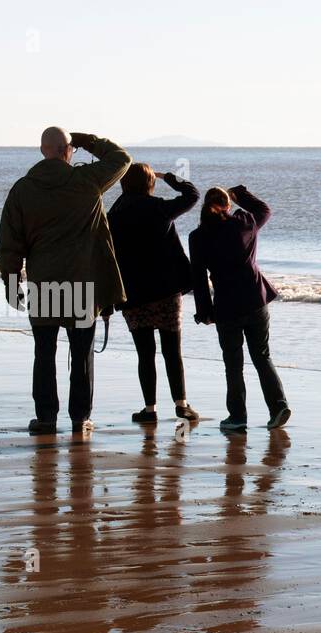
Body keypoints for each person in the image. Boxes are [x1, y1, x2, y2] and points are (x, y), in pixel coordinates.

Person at [0, 127, 130, 434]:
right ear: (66, 150)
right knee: (82, 353)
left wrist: (11, 282)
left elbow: (10, 242)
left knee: (44, 352)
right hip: (82, 285)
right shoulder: (86, 182)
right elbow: (122, 158)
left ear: (43, 150)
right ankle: (80, 418)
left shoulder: (23, 189)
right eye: (71, 148)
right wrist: (87, 141)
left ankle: (46, 418)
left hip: (44, 283)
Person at [189, 184, 291, 432]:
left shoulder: (198, 237)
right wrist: (241, 194)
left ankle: (237, 416)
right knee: (262, 356)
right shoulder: (244, 223)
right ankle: (278, 406)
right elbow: (264, 210)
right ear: (228, 206)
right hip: (255, 299)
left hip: (226, 305)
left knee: (233, 363)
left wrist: (204, 312)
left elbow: (199, 279)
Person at [106, 162, 201, 424]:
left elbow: (106, 255)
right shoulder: (158, 208)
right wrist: (168, 177)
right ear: (150, 183)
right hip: (166, 291)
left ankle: (150, 410)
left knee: (145, 354)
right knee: (172, 350)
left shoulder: (115, 213)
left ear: (124, 184)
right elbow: (192, 195)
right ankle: (181, 405)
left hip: (133, 294)